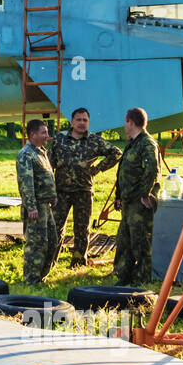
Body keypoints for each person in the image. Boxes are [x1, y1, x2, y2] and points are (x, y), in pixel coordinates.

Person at [48, 107, 121, 268]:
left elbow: (116, 153)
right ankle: (50, 262)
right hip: (61, 191)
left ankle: (78, 263)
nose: (82, 123)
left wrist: (99, 168)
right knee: (55, 228)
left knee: (82, 229)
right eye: (79, 120)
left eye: (85, 120)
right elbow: (49, 163)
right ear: (72, 122)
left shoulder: (94, 140)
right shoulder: (60, 140)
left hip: (83, 191)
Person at [112, 106, 161, 285]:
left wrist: (145, 194)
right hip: (128, 201)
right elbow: (123, 171)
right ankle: (124, 275)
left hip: (138, 202)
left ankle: (141, 278)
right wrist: (118, 195)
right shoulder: (133, 143)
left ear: (130, 122)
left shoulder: (147, 143)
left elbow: (152, 170)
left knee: (140, 240)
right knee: (125, 239)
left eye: (125, 122)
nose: (124, 126)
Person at [16, 119, 58, 284]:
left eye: (46, 132)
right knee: (36, 245)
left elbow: (47, 176)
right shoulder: (26, 154)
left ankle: (42, 276)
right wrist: (31, 207)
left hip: (46, 206)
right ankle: (31, 280)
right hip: (36, 207)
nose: (47, 136)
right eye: (43, 133)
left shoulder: (41, 152)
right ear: (33, 134)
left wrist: (53, 196)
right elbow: (26, 183)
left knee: (52, 241)